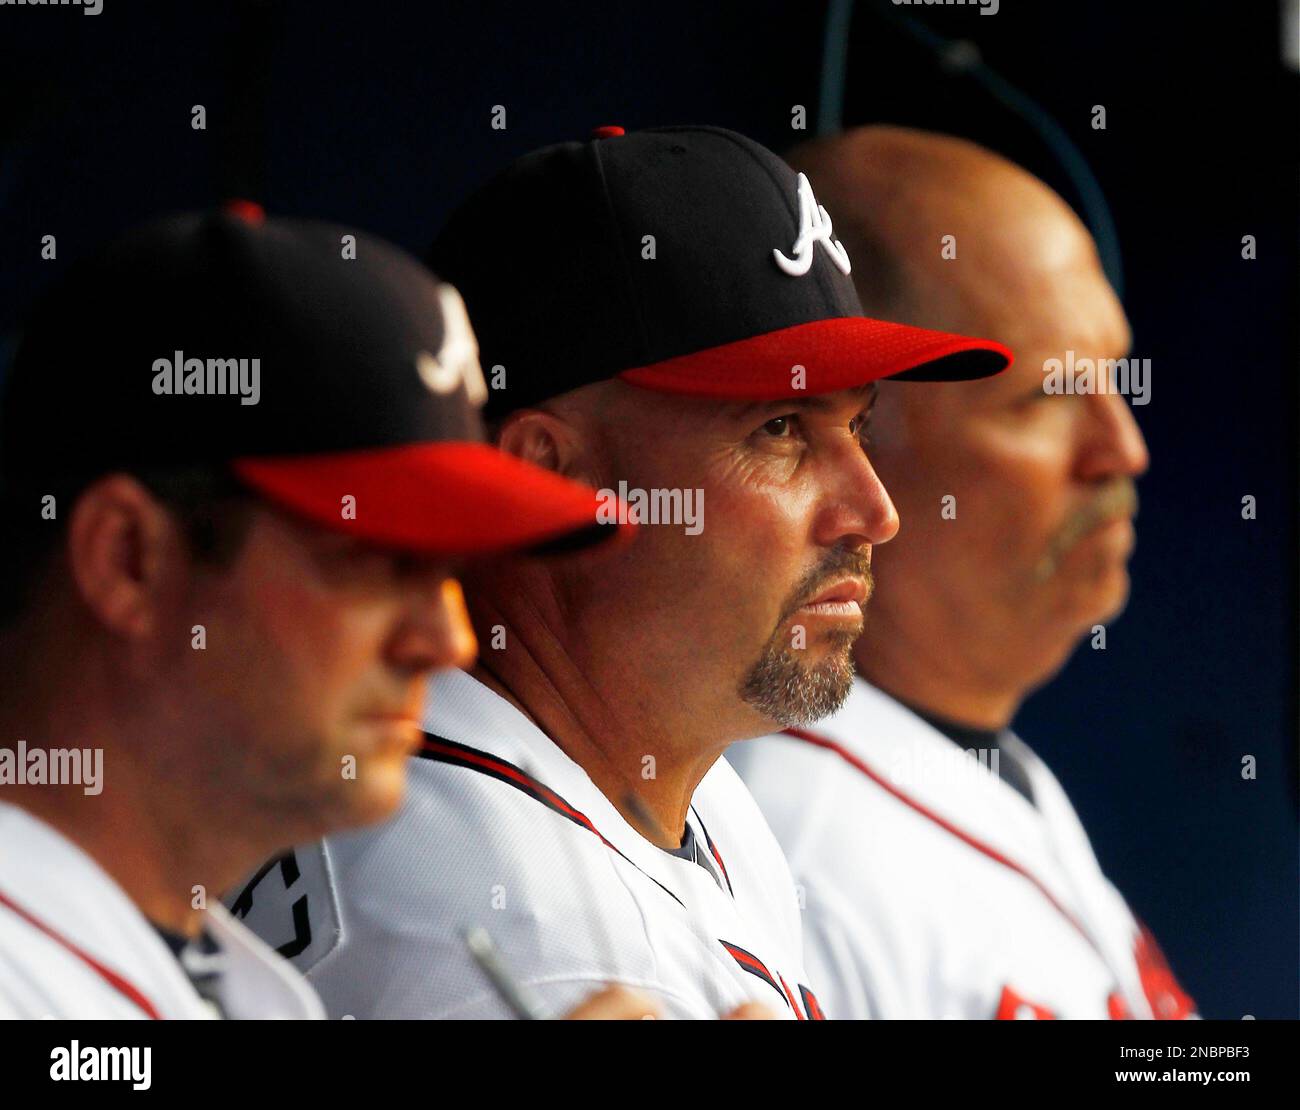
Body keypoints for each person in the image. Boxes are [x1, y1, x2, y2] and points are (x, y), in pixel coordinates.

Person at [234, 125, 1010, 1019]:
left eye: (859, 427)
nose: (875, 511)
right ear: (544, 477)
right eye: (781, 430)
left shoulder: (665, 783)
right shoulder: (522, 931)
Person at [0, 203, 644, 1018]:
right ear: (129, 559)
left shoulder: (240, 982)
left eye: (447, 568)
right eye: (375, 562)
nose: (446, 639)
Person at [730, 126, 1196, 1020]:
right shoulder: (788, 857)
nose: (1122, 449)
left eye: (1113, 380)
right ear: (856, 444)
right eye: (1049, 395)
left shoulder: (1000, 771)